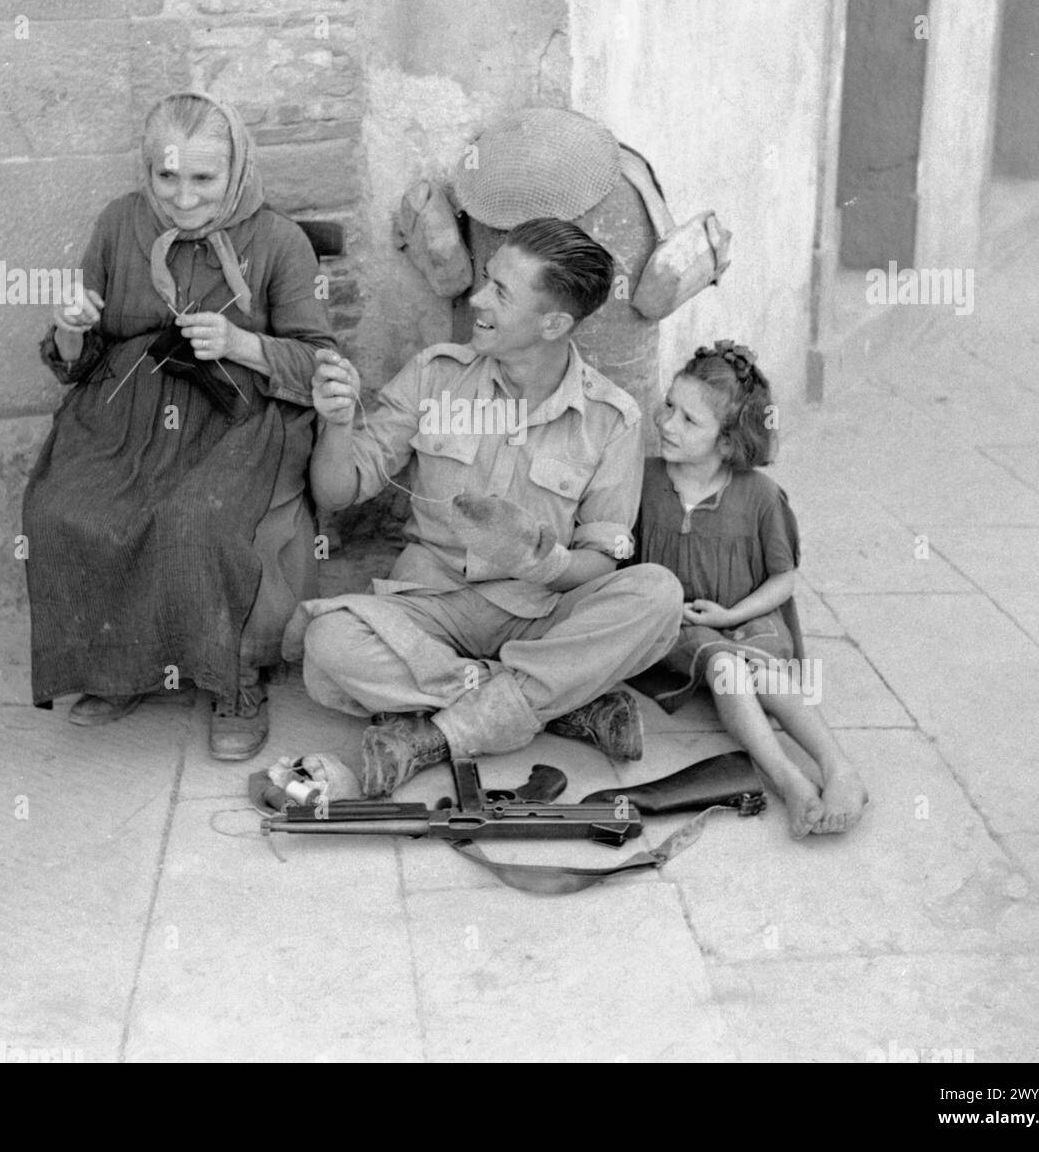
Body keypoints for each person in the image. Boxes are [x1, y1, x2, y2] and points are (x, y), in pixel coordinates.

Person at [288, 217, 685, 797]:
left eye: (500, 292)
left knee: (658, 597)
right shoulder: (435, 376)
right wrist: (338, 423)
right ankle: (560, 704)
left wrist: (538, 557)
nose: (476, 298)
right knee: (328, 648)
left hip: (540, 610)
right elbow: (336, 491)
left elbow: (603, 561)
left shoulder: (612, 420)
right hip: (432, 604)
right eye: (486, 280)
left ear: (554, 323)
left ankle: (436, 736)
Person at [23, 91, 336, 759]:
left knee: (200, 517)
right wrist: (70, 329)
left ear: (235, 169)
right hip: (126, 414)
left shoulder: (278, 241)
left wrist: (238, 342)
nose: (183, 198)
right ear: (147, 169)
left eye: (203, 178)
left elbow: (320, 364)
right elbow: (77, 363)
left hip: (239, 415)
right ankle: (118, 666)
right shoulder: (119, 224)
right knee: (60, 506)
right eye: (168, 177)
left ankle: (236, 679)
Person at [637, 340, 869, 836]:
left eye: (689, 420)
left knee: (758, 667)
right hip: (681, 623)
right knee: (725, 665)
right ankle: (788, 781)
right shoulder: (644, 482)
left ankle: (837, 766)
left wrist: (731, 615)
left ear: (727, 442)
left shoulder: (760, 496)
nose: (667, 423)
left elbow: (784, 578)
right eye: (669, 406)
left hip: (747, 614)